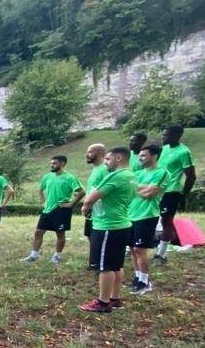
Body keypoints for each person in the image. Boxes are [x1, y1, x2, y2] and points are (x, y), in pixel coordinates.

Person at [79, 147, 137, 313]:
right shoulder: (131, 176)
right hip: (122, 224)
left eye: (108, 159)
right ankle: (115, 298)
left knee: (105, 267)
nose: (105, 163)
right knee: (116, 264)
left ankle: (103, 302)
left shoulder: (116, 176)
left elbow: (90, 198)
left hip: (107, 226)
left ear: (118, 158)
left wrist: (85, 208)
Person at [21, 156, 84, 264]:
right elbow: (40, 189)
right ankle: (34, 255)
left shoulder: (69, 178)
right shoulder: (47, 176)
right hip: (47, 210)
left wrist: (71, 204)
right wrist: (43, 202)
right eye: (51, 163)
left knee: (60, 234)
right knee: (38, 232)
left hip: (61, 209)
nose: (52, 165)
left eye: (54, 163)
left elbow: (82, 192)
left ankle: (56, 256)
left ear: (62, 163)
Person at [128, 144, 171, 295]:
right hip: (131, 214)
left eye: (143, 155)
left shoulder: (162, 173)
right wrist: (142, 187)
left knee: (140, 248)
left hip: (147, 215)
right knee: (133, 249)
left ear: (154, 156)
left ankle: (145, 281)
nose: (140, 158)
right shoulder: (138, 173)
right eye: (139, 155)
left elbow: (149, 194)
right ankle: (137, 277)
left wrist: (137, 188)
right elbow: (130, 189)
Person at [155, 125, 197, 262]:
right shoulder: (163, 149)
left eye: (166, 135)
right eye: (163, 134)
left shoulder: (184, 152)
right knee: (154, 219)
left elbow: (191, 176)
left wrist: (184, 196)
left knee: (166, 221)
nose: (163, 137)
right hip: (157, 190)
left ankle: (161, 255)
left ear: (177, 135)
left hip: (172, 191)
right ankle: (160, 245)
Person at [82, 143, 108, 242]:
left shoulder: (105, 169)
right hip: (92, 210)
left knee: (97, 239)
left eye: (90, 152)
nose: (86, 155)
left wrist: (87, 205)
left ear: (100, 152)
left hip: (101, 213)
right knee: (90, 235)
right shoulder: (96, 168)